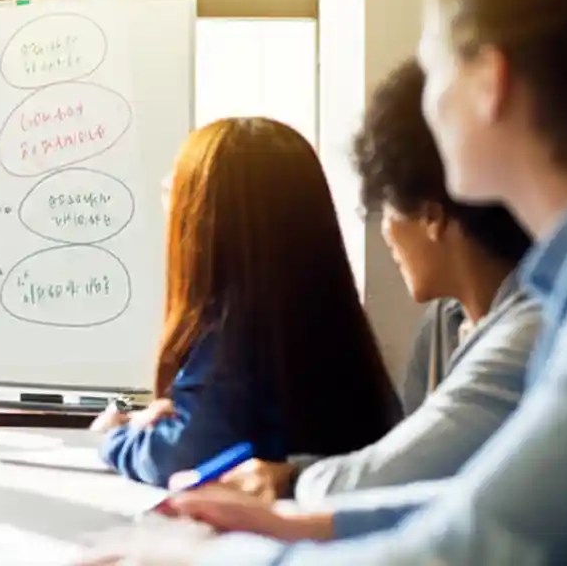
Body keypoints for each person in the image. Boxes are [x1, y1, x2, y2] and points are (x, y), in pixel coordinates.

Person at [161, 0, 567, 564]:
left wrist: (204, 559)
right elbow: (495, 499)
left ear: (490, 82)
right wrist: (306, 528)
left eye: (436, 67)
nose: (427, 103)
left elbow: (481, 542)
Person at [213, 59, 540, 505]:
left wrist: (290, 481)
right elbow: (404, 464)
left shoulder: (533, 327)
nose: (385, 230)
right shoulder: (444, 324)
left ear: (431, 215)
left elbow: (404, 473)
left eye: (386, 207)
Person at [90, 118, 401, 487]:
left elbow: (181, 457)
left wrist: (114, 435)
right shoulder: (331, 323)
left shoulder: (233, 333)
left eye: (174, 195)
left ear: (204, 221)